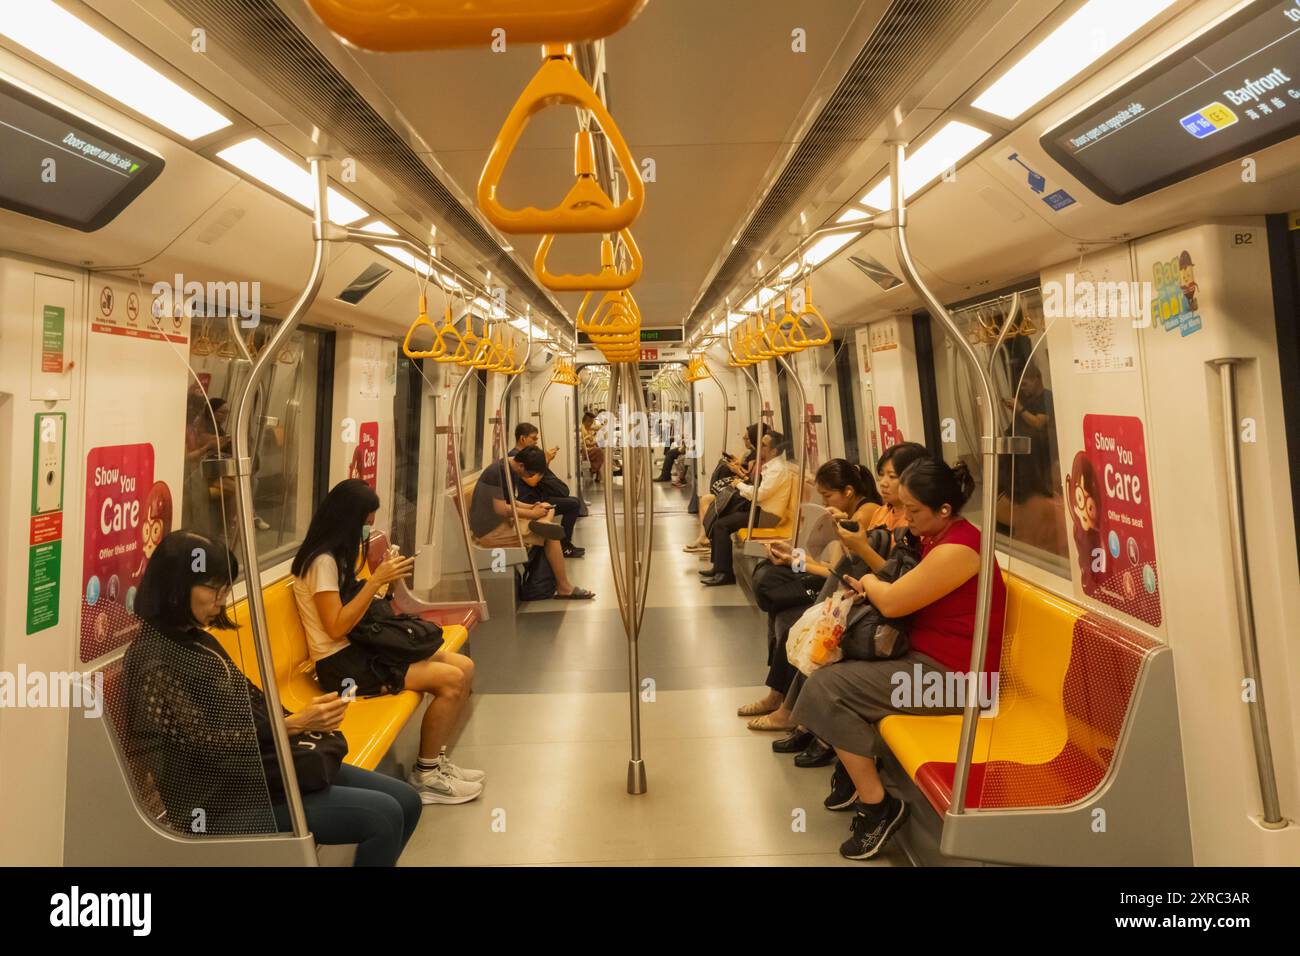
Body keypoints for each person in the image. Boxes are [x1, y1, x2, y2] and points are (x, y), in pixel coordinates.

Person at [123, 530, 422, 866]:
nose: (220, 600)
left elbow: (252, 700)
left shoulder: (194, 639)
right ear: (176, 588)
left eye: (225, 589)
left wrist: (301, 721)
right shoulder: (152, 661)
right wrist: (291, 725)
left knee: (407, 800)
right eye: (212, 588)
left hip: (260, 771)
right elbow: (202, 747)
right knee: (383, 817)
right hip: (219, 802)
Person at [790, 457, 1007, 861]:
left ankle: (879, 805)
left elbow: (891, 602)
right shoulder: (934, 539)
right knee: (826, 667)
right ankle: (858, 775)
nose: (904, 518)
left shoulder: (960, 550)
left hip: (958, 682)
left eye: (914, 511)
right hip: (926, 663)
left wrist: (870, 582)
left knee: (827, 688)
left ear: (944, 509)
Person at [291, 479, 486, 805]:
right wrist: (375, 581)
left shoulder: (336, 557)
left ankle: (435, 762)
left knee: (464, 666)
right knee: (451, 682)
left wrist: (382, 584)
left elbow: (354, 613)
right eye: (365, 525)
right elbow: (337, 627)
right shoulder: (320, 563)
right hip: (341, 666)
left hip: (358, 649)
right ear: (347, 522)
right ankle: (427, 776)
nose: (367, 532)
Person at [738, 459, 883, 735]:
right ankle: (777, 694)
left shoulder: (862, 517)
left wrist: (798, 562)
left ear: (848, 492)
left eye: (828, 495)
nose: (825, 500)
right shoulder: (849, 513)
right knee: (779, 610)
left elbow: (839, 573)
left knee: (794, 620)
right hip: (837, 584)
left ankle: (784, 707)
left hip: (851, 594)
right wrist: (795, 558)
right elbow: (834, 566)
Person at [470, 445, 595, 600]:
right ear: (522, 465)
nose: (529, 477)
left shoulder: (509, 468)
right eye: (530, 473)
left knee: (548, 525)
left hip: (500, 523)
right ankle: (564, 587)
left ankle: (543, 524)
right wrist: (532, 513)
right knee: (551, 533)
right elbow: (501, 509)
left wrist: (533, 507)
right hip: (489, 531)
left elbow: (511, 502)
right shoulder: (498, 472)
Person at [700, 430, 793, 586]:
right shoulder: (771, 466)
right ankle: (718, 567)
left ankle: (725, 574)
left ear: (774, 451)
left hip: (766, 516)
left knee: (721, 525)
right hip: (758, 510)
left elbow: (760, 494)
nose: (759, 446)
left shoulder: (777, 469)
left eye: (763, 445)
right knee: (720, 519)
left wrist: (739, 484)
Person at [683, 423, 767, 555]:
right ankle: (704, 538)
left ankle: (707, 540)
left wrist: (737, 472)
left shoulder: (761, 461)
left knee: (714, 507)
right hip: (744, 494)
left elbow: (751, 482)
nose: (745, 441)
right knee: (705, 499)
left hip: (747, 501)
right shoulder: (754, 457)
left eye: (747, 439)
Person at [509, 422, 584, 558]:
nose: (536, 441)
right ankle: (564, 545)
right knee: (573, 504)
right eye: (533, 438)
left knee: (574, 501)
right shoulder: (516, 458)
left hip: (539, 495)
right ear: (522, 439)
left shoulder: (527, 455)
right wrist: (545, 461)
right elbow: (532, 481)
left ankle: (565, 543)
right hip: (529, 498)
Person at [580, 411, 604, 481]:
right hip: (586, 451)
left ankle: (597, 471)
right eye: (591, 422)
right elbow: (587, 444)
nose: (591, 424)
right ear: (587, 421)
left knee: (601, 450)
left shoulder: (587, 427)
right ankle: (596, 470)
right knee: (599, 451)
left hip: (589, 449)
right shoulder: (583, 429)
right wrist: (597, 441)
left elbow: (598, 427)